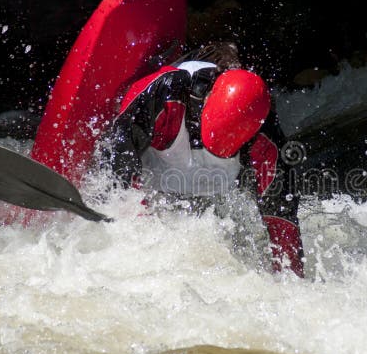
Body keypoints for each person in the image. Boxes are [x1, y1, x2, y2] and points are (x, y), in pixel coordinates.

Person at [108, 42, 305, 277]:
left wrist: (290, 277)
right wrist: (135, 217)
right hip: (155, 163)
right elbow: (118, 154)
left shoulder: (264, 133)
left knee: (272, 189)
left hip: (207, 182)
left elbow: (282, 215)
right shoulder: (165, 91)